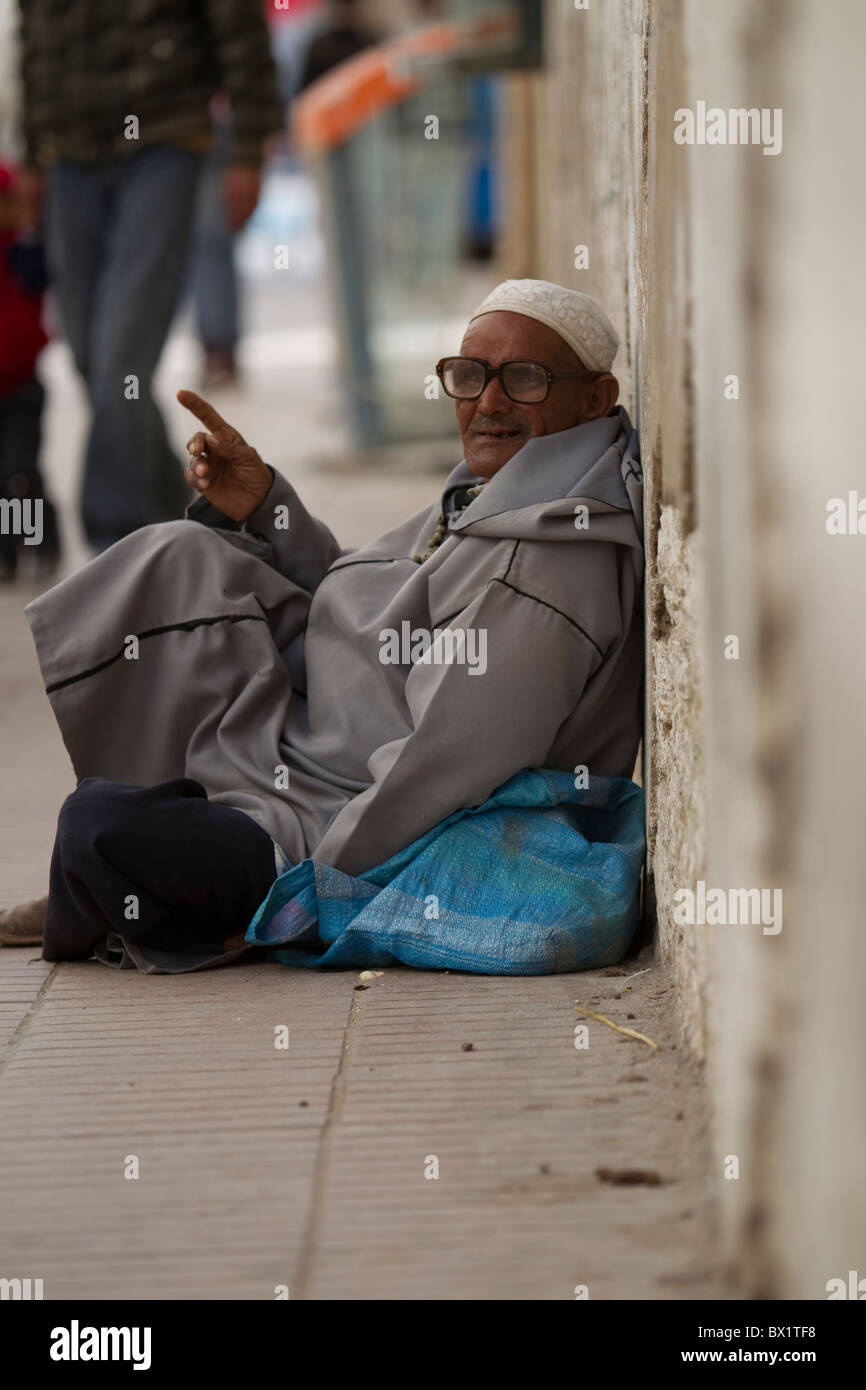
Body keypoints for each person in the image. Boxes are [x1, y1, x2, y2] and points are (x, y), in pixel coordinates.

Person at [1, 280, 645, 970]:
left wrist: (310, 895)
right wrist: (268, 509)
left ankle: (110, 893)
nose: (488, 402)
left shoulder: (545, 562)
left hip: (326, 820)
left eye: (524, 378)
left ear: (595, 397)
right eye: (470, 375)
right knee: (180, 558)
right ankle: (114, 886)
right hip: (302, 757)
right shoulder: (505, 487)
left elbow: (440, 769)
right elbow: (376, 599)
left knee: (95, 824)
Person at [16, 0, 281, 552]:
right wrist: (33, 154)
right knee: (92, 358)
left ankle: (118, 542)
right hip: (69, 154)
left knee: (122, 358)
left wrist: (249, 149)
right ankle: (180, 512)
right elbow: (34, 38)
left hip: (165, 141)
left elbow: (242, 36)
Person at [0, 158, 59, 579]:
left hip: (22, 388)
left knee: (18, 471)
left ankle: (38, 539)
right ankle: (6, 551)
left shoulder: (25, 253)